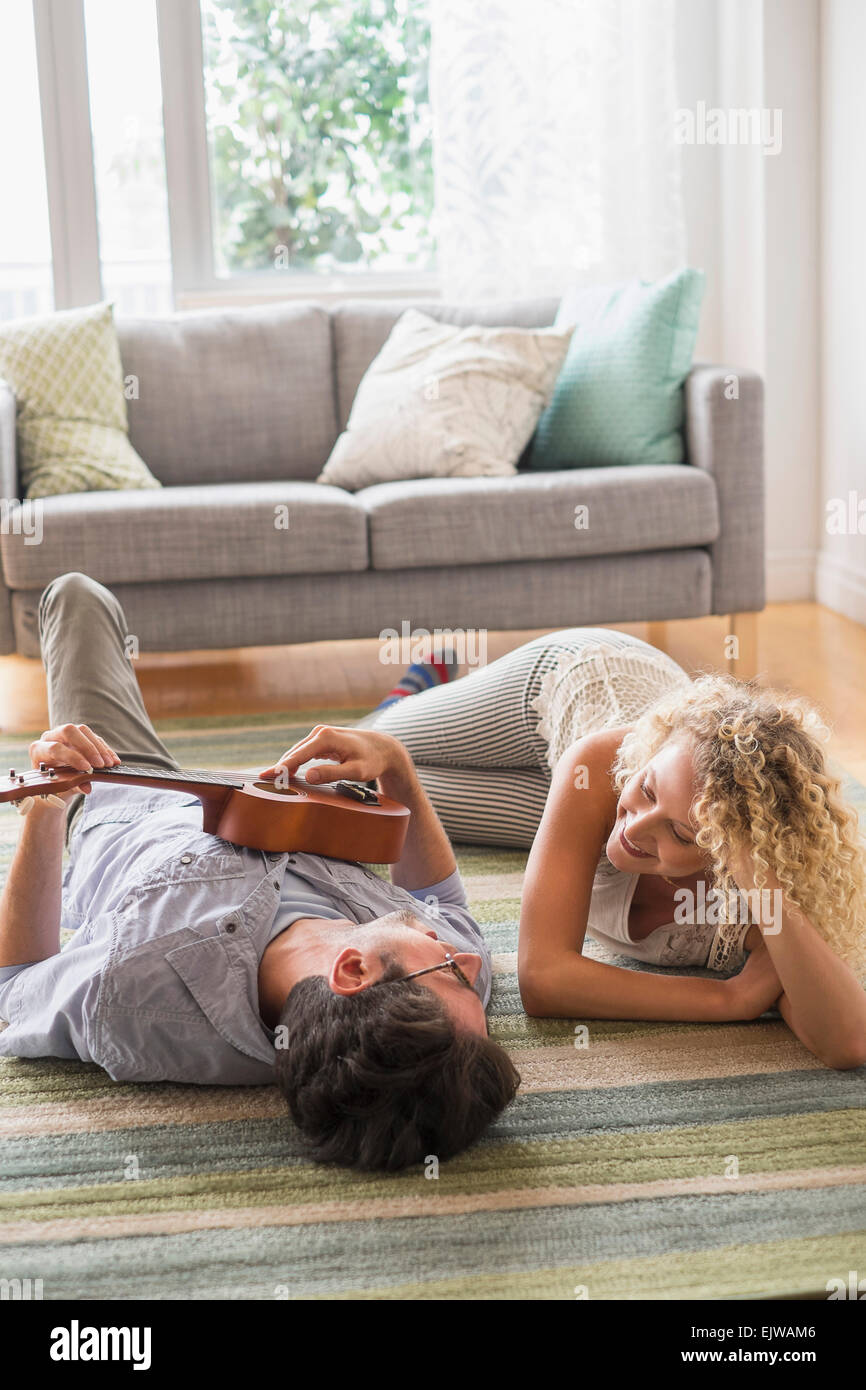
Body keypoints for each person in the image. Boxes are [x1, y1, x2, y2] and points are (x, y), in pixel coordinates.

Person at [0, 573, 519, 1172]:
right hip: (284, 801)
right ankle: (398, 706)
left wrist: (49, 805)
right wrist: (396, 767)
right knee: (372, 745)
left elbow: (15, 983)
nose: (476, 961)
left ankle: (404, 699)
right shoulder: (443, 1012)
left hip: (126, 788)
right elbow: (443, 903)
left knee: (74, 594)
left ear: (352, 970)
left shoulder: (133, 998)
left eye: (451, 971)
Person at [359, 628, 866, 1071]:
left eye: (684, 835)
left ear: (726, 854)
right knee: (369, 750)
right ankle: (409, 695)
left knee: (377, 798)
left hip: (570, 799)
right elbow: (543, 979)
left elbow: (846, 1041)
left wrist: (757, 872)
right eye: (647, 791)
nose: (635, 830)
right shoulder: (603, 773)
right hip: (576, 684)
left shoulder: (760, 893)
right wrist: (727, 997)